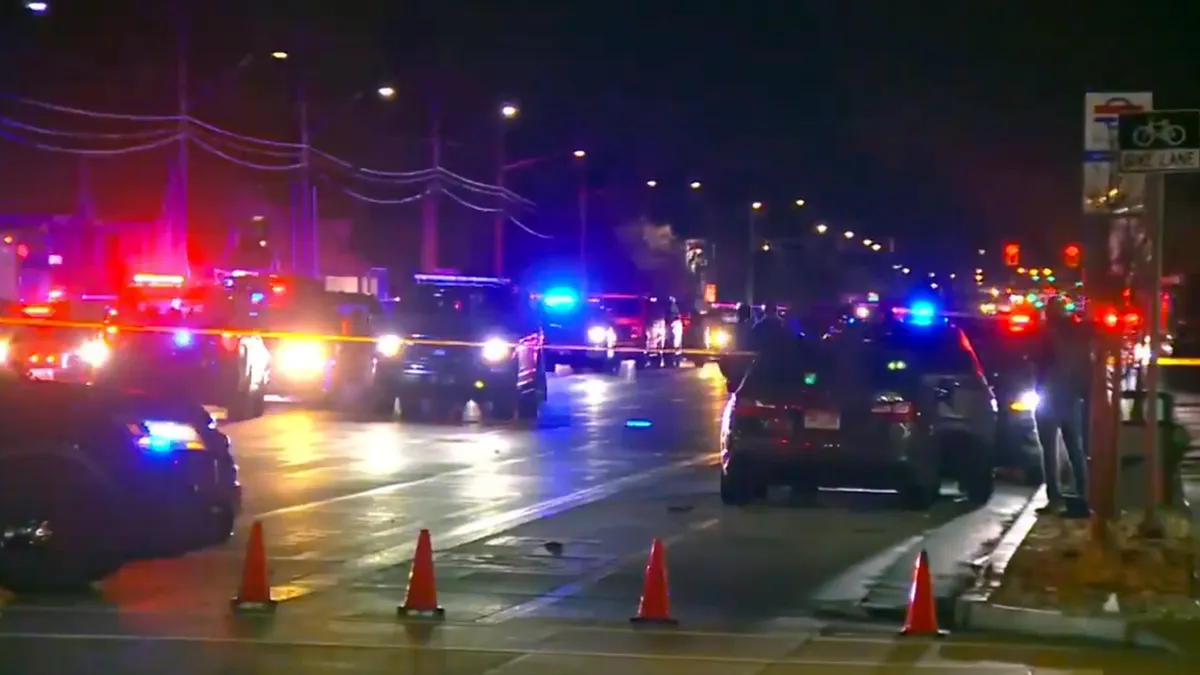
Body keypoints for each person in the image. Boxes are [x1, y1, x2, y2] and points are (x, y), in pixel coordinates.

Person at [1033, 302, 1091, 515]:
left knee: (1049, 451)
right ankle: (1084, 493)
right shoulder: (1078, 337)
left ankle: (1054, 496)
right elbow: (1086, 366)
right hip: (1072, 397)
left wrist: (1038, 387)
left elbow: (1040, 364)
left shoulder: (1048, 336)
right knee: (1075, 448)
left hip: (1050, 396)